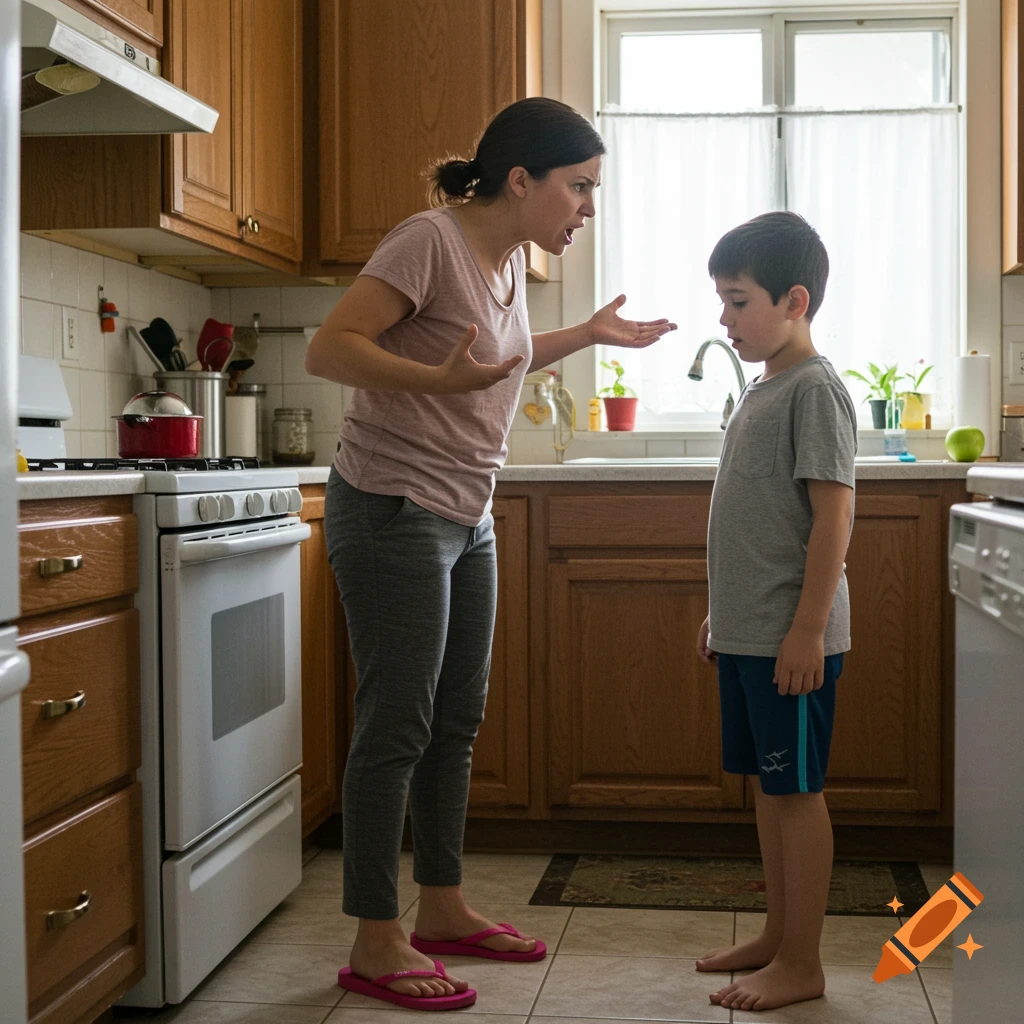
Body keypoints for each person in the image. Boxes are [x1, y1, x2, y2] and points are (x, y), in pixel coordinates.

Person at [305, 96, 676, 1012]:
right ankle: (375, 936)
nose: (587, 207)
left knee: (456, 721)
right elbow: (330, 347)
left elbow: (491, 358)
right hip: (394, 507)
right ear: (522, 180)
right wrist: (433, 380)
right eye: (579, 187)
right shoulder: (427, 240)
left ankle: (440, 905)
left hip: (465, 514)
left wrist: (583, 335)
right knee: (397, 723)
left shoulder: (506, 261)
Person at [693, 212, 857, 1013]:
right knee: (768, 787)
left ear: (794, 300)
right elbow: (754, 522)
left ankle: (805, 961)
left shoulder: (816, 390)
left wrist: (805, 629)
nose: (723, 320)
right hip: (750, 633)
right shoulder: (766, 386)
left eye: (737, 301)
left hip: (793, 639)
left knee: (796, 795)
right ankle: (777, 934)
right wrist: (724, 618)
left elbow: (834, 518)